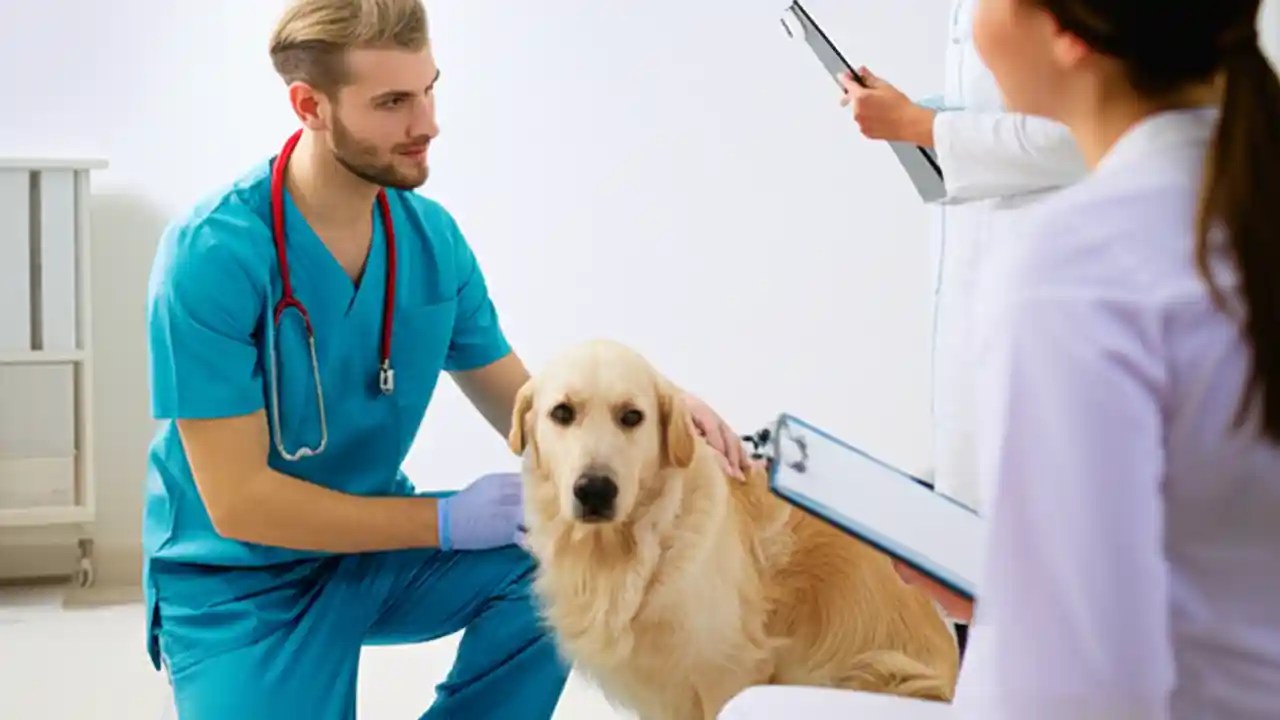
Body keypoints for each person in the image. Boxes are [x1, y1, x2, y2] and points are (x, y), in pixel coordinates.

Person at [141, 1, 749, 718]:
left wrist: (661, 399)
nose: (427, 124)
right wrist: (443, 523)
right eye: (393, 102)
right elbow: (239, 502)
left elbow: (532, 409)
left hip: (366, 553)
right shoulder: (213, 254)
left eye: (429, 89)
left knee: (546, 559)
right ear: (310, 105)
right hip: (237, 585)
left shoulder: (431, 244)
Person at [721, 0, 1280, 716]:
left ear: (1068, 33)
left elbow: (1083, 673)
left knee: (752, 710)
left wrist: (1013, 606)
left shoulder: (1080, 262)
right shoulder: (1236, 201)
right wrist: (1010, 585)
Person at [836, 0, 1088, 655]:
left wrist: (924, 125)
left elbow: (1087, 131)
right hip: (985, 305)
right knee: (980, 587)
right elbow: (1009, 117)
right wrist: (922, 120)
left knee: (1045, 583)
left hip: (1055, 311)